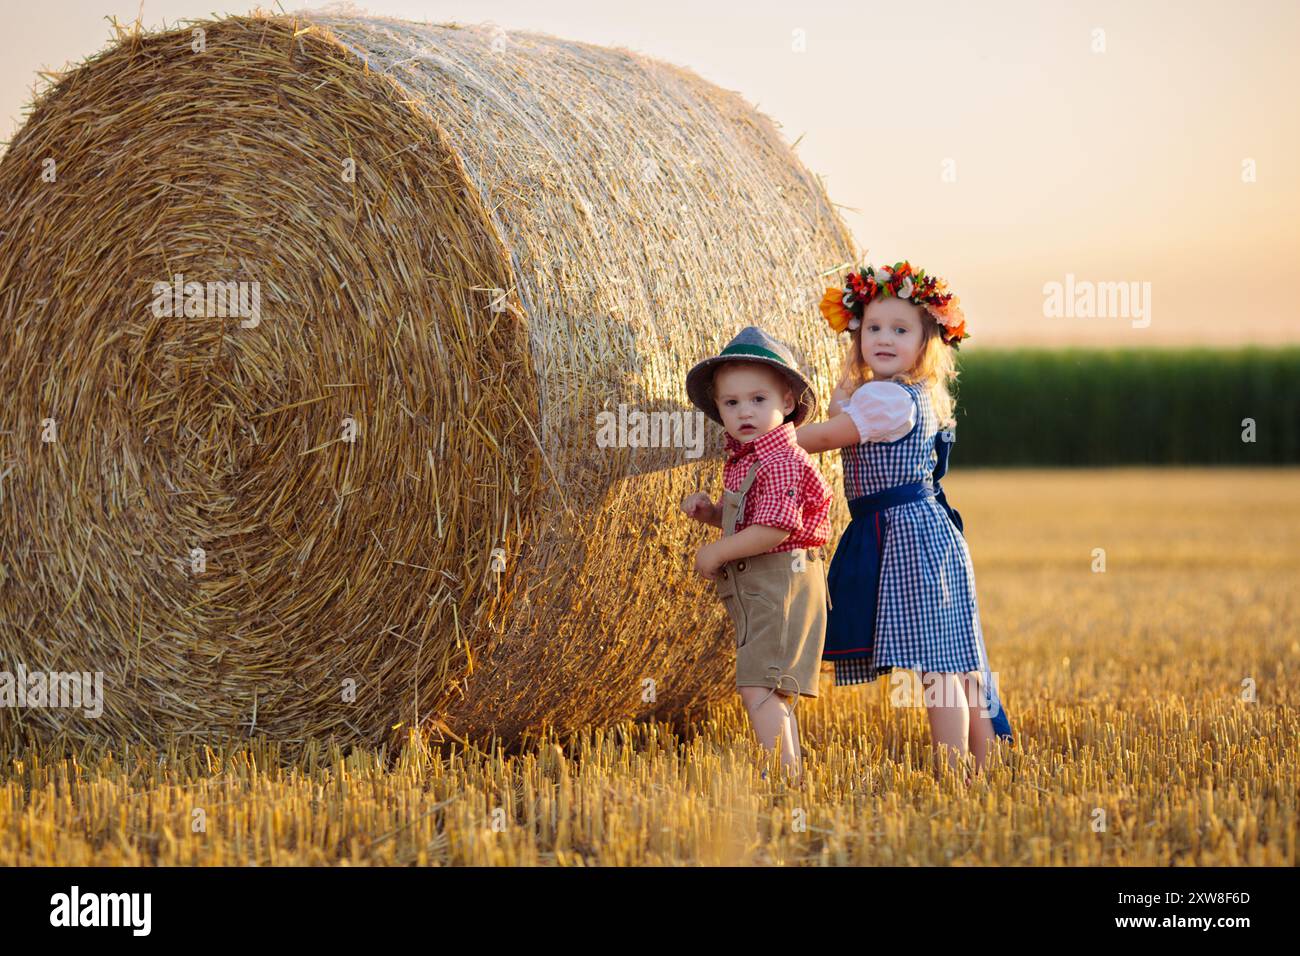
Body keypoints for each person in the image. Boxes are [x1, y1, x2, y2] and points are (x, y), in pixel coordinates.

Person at [797, 260, 1013, 781]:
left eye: (900, 329)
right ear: (858, 335)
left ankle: (955, 770)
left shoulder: (888, 399)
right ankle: (981, 767)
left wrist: (765, 442)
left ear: (926, 342)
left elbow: (825, 436)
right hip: (928, 532)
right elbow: (842, 417)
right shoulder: (902, 395)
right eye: (873, 327)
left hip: (907, 536)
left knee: (940, 668)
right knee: (958, 663)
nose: (884, 338)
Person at [681, 326, 832, 781]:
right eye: (732, 403)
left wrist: (717, 552)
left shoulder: (781, 459)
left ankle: (784, 778)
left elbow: (775, 528)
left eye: (758, 399)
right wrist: (712, 514)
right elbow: (754, 519)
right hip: (769, 584)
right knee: (771, 685)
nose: (744, 411)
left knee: (759, 685)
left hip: (780, 583)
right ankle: (789, 772)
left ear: (787, 402)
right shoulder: (750, 458)